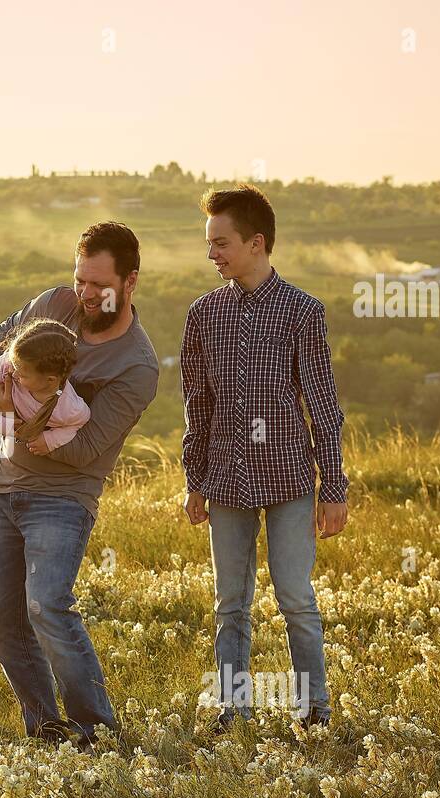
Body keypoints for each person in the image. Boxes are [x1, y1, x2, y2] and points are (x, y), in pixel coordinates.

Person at [0, 221, 160, 749]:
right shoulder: (52, 304)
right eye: (80, 279)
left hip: (63, 499)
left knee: (47, 606)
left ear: (130, 282)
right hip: (3, 487)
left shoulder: (137, 365)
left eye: (98, 284)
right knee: (5, 626)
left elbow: (86, 446)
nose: (84, 293)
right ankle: (46, 730)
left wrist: (16, 416)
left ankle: (95, 730)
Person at [178, 184, 350, 732]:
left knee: (296, 599)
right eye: (209, 244)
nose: (212, 253)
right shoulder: (203, 313)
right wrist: (195, 479)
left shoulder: (304, 312)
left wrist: (335, 487)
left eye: (221, 243)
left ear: (257, 242)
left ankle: (314, 711)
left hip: (290, 481)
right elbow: (197, 405)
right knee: (230, 604)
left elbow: (323, 403)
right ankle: (233, 711)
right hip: (225, 479)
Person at [0, 318, 90, 460]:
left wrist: (50, 440)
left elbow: (79, 423)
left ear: (50, 380)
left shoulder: (70, 409)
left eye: (22, 374)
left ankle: (4, 425)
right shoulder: (12, 361)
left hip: (32, 423)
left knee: (16, 432)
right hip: (3, 408)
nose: (13, 373)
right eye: (15, 366)